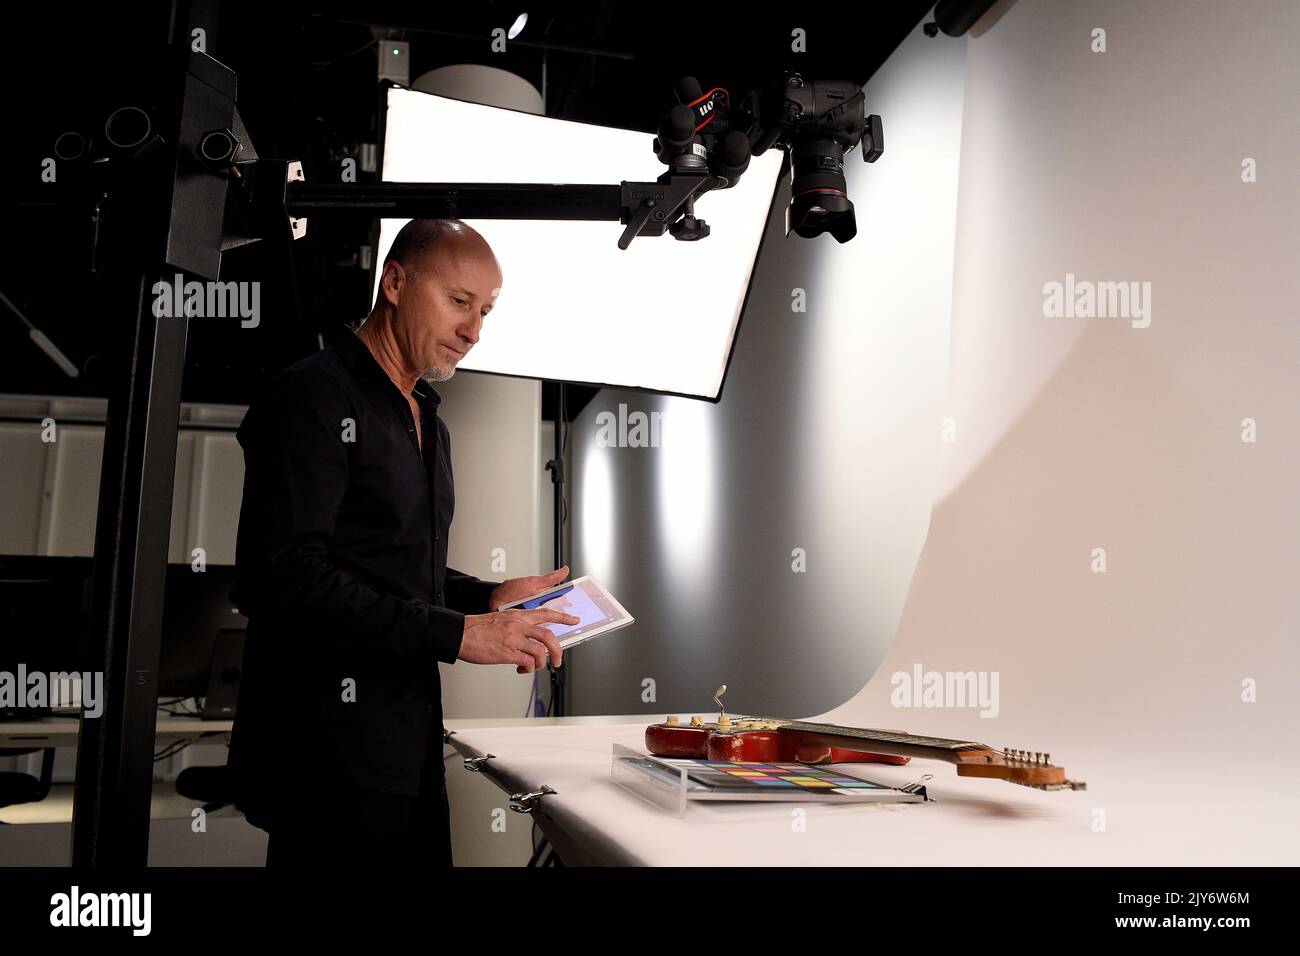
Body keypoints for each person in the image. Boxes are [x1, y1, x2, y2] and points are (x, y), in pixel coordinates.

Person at [229, 218, 579, 867]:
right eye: (459, 303)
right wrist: (458, 635)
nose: (474, 330)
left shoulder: (427, 420)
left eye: (486, 312)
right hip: (325, 758)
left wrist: (488, 596)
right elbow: (283, 577)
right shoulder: (313, 394)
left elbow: (390, 566)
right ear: (394, 282)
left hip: (405, 744)